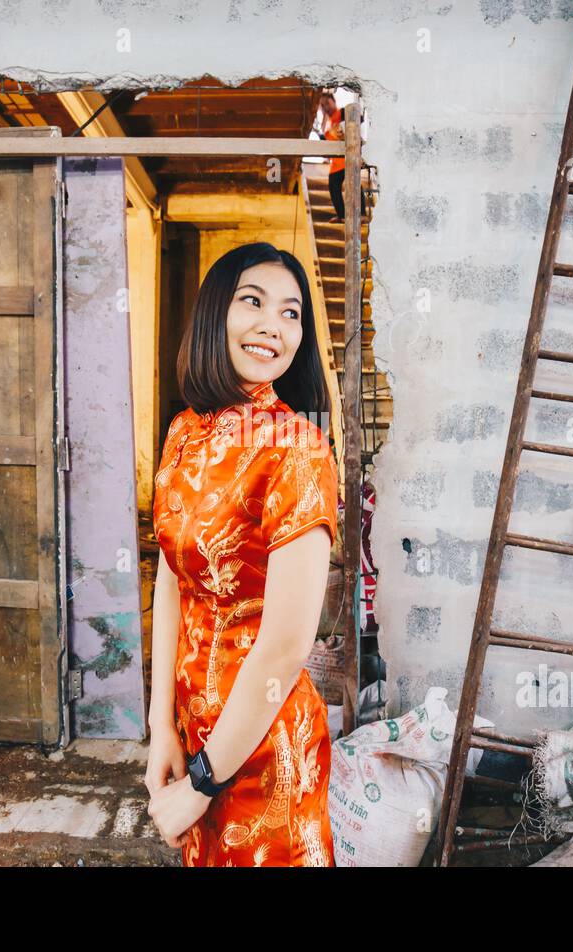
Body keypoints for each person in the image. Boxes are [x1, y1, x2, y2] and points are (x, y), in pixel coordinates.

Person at [145, 241, 340, 867]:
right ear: (213, 316)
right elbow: (171, 582)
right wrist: (162, 730)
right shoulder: (184, 432)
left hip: (261, 746)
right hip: (196, 731)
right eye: (252, 302)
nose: (272, 326)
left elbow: (287, 644)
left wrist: (203, 780)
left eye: (291, 313)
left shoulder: (297, 448)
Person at [319, 91, 346, 223]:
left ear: (334, 101)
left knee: (355, 185)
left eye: (327, 103)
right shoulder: (328, 125)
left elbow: (359, 118)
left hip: (347, 159)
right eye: (322, 106)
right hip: (336, 163)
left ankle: (361, 213)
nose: (326, 107)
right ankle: (342, 215)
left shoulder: (342, 113)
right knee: (333, 187)